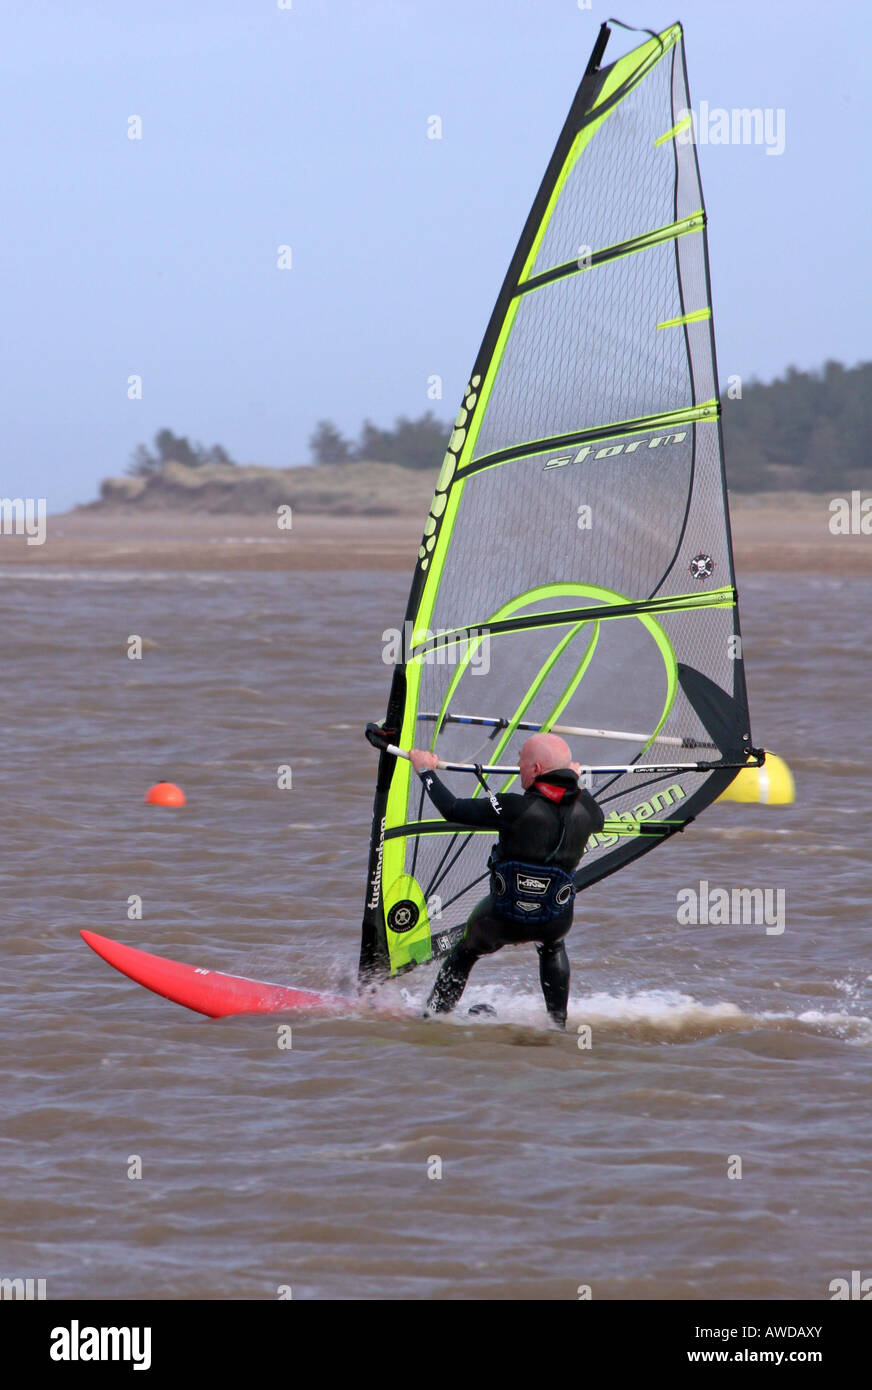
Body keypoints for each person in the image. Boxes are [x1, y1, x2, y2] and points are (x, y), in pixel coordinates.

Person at [408, 733, 604, 1028]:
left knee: (465, 951)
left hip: (501, 919)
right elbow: (593, 813)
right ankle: (557, 1024)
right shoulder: (589, 811)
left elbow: (452, 809)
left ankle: (432, 1017)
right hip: (554, 919)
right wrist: (576, 779)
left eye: (521, 762)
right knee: (552, 946)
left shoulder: (514, 808)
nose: (517, 766)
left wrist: (425, 770)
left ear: (536, 769)